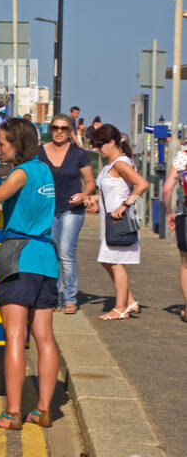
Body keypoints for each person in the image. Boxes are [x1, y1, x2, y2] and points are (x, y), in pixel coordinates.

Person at [0, 118, 60, 429]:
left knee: (16, 337)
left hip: (20, 256)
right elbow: (18, 208)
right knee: (44, 337)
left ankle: (13, 413)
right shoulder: (43, 170)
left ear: (17, 145)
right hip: (46, 257)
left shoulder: (20, 172)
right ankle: (44, 410)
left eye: (3, 142)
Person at [83, 123, 150, 320]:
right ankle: (129, 301)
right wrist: (93, 199)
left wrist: (125, 205)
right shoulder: (110, 165)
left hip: (118, 219)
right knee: (107, 260)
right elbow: (110, 190)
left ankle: (121, 307)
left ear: (111, 143)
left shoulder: (120, 163)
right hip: (109, 219)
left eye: (99, 144)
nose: (97, 148)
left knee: (116, 262)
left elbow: (142, 184)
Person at [38, 114, 95, 314]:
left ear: (70, 130)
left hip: (72, 209)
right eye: (55, 127)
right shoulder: (39, 152)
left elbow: (90, 181)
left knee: (66, 251)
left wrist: (85, 194)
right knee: (51, 253)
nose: (59, 131)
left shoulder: (79, 154)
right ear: (50, 129)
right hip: (48, 209)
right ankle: (53, 297)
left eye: (63, 128)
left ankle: (69, 298)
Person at [162, 142, 187, 322]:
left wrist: (169, 212)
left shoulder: (182, 156)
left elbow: (166, 189)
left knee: (185, 264)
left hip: (185, 216)